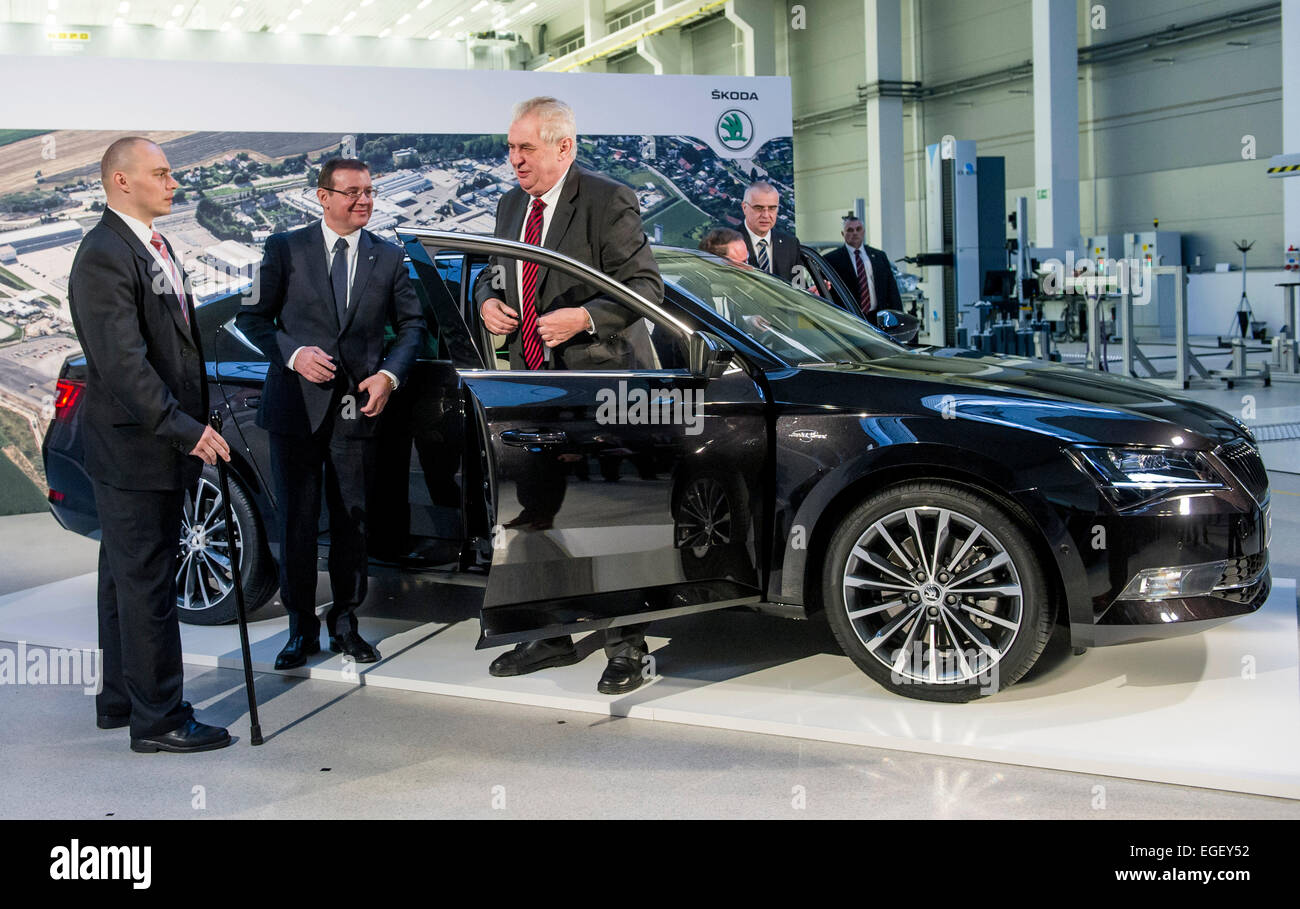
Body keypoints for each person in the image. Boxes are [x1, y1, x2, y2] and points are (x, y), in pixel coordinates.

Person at [474, 96, 662, 695]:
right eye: (510, 147)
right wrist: (486, 300)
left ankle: (627, 648)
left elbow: (645, 287)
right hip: (530, 390)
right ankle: (550, 635)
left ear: (564, 147)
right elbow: (490, 270)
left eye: (525, 148)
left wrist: (583, 317)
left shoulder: (608, 199)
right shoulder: (510, 206)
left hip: (599, 387)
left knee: (605, 522)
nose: (514, 160)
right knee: (538, 513)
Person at [69, 136, 232, 753]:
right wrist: (186, 429)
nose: (173, 184)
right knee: (149, 587)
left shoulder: (151, 247)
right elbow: (124, 366)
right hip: (136, 449)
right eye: (161, 174)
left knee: (124, 579)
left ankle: (121, 700)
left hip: (147, 445)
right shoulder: (105, 255)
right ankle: (160, 719)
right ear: (121, 182)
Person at [236, 158, 424, 671]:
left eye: (369, 191)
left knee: (351, 525)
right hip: (294, 411)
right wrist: (294, 355)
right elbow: (250, 319)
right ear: (323, 196)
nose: (364, 201)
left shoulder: (387, 257)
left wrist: (388, 376)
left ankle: (345, 624)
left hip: (356, 413)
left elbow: (412, 328)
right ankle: (300, 630)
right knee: (297, 524)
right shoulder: (283, 249)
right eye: (352, 193)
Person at [823, 215, 902, 319]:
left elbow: (891, 289)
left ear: (863, 232)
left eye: (858, 229)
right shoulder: (831, 260)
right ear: (843, 234)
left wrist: (898, 316)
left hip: (878, 317)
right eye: (850, 230)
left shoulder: (879, 256)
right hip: (849, 318)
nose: (855, 233)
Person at [739, 181, 800, 281]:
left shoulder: (790, 244)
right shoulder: (727, 242)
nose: (766, 215)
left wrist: (809, 293)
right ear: (744, 207)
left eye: (772, 208)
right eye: (758, 208)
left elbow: (798, 285)